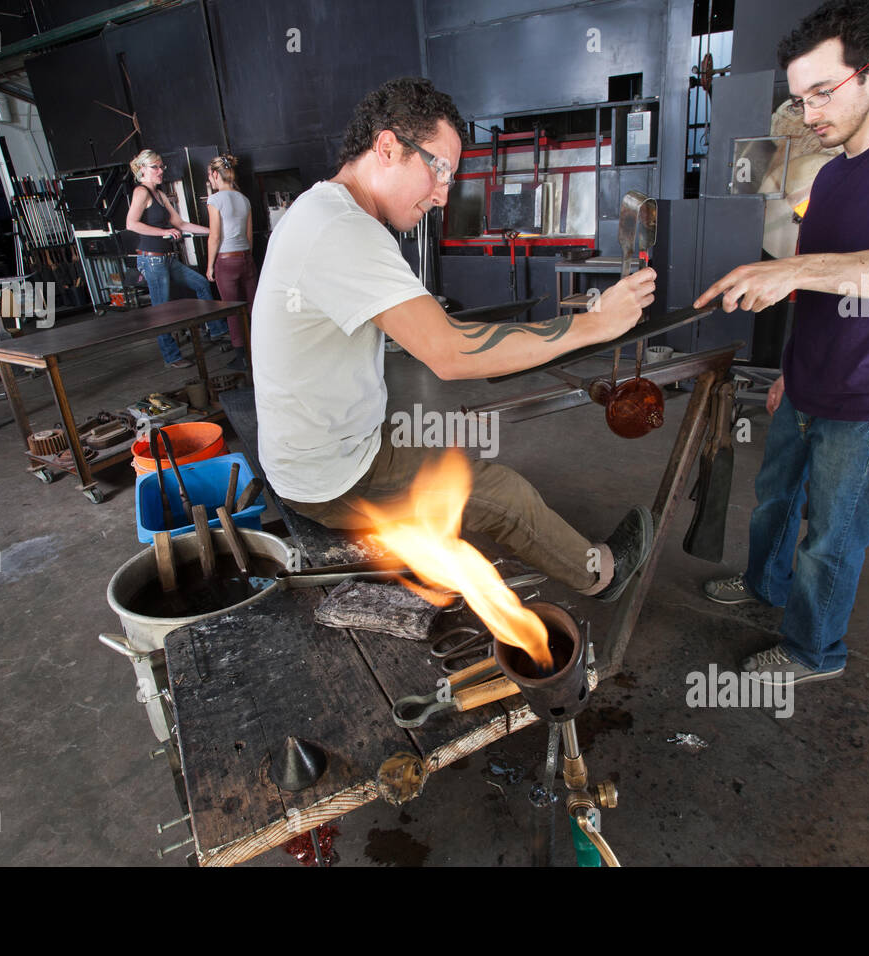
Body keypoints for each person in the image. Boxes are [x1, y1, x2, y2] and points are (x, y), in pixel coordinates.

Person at [252, 77, 658, 600]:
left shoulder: (321, 209)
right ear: (387, 147)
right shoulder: (343, 229)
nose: (442, 195)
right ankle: (599, 574)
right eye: (438, 170)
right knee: (505, 494)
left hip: (325, 445)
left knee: (452, 444)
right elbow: (449, 352)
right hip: (331, 476)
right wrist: (594, 324)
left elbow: (437, 331)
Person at [694, 0, 869, 686]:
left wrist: (787, 268)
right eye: (799, 97)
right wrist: (790, 368)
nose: (809, 111)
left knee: (830, 539)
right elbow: (822, 294)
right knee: (773, 503)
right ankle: (765, 587)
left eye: (823, 91)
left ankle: (814, 651)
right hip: (808, 378)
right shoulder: (834, 171)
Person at [124, 149, 228, 369]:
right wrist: (163, 232)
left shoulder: (159, 195)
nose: (161, 171)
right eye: (155, 167)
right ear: (142, 169)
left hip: (167, 259)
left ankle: (217, 331)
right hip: (152, 260)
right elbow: (131, 224)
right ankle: (171, 356)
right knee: (161, 310)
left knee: (201, 284)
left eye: (162, 166)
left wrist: (213, 231)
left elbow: (180, 224)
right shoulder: (141, 192)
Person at [204, 154, 255, 369]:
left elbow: (215, 236)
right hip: (246, 257)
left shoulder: (214, 200)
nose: (210, 180)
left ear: (215, 174)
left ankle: (242, 357)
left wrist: (209, 266)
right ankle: (260, 351)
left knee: (232, 310)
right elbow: (249, 236)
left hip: (226, 260)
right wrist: (247, 257)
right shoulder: (244, 199)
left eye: (209, 176)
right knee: (253, 307)